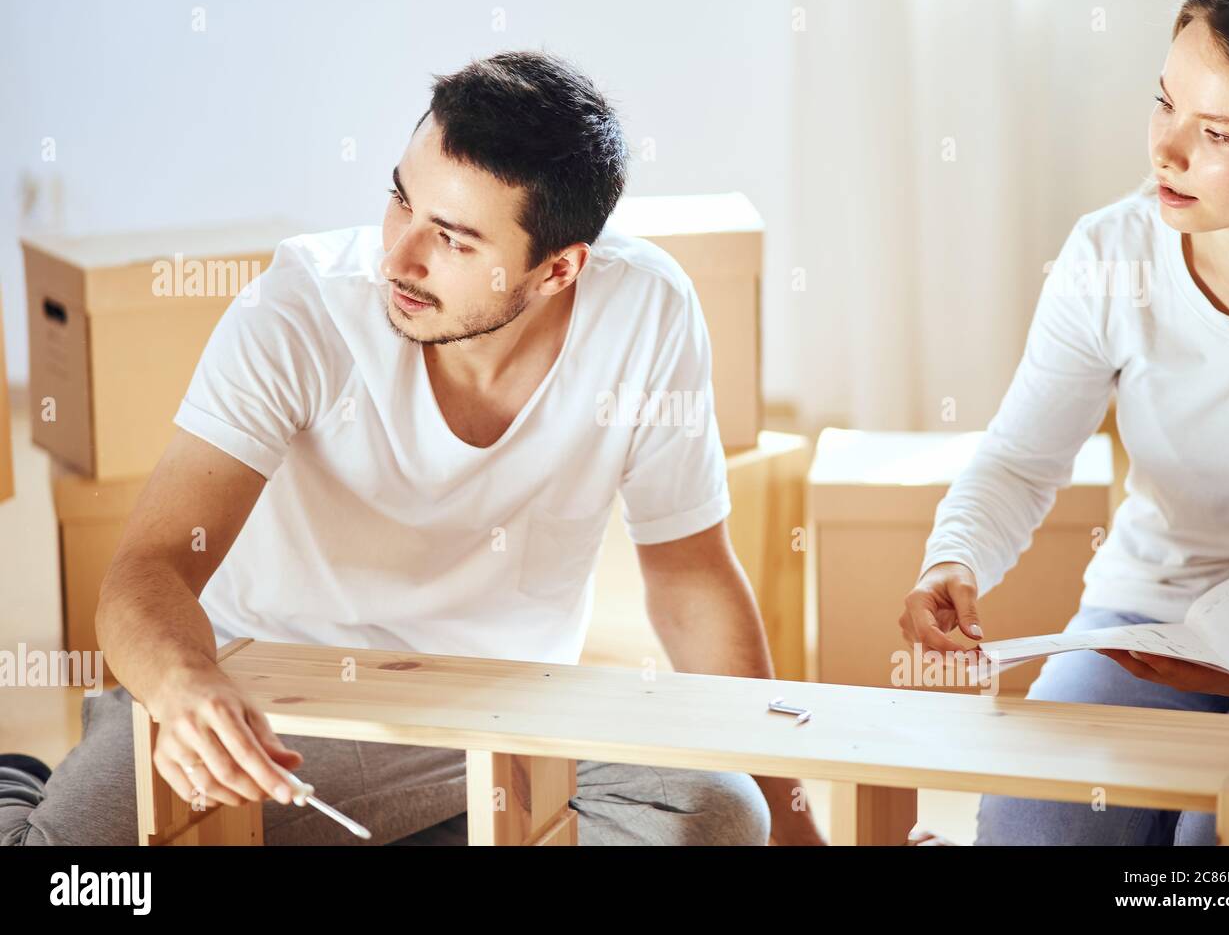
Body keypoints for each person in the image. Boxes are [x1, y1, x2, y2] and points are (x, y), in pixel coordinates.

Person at [1, 51, 825, 846]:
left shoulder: (647, 311)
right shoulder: (297, 310)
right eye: (400, 199)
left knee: (713, 814)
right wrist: (187, 689)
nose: (398, 255)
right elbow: (147, 569)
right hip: (268, 702)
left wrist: (796, 829)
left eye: (455, 239)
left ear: (558, 270)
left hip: (504, 716)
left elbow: (691, 580)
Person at [901, 0, 1229, 845]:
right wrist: (954, 560)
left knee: (1218, 850)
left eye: (1219, 134)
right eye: (1165, 103)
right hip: (1153, 622)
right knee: (1038, 832)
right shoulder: (1112, 252)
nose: (1166, 150)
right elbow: (1022, 458)